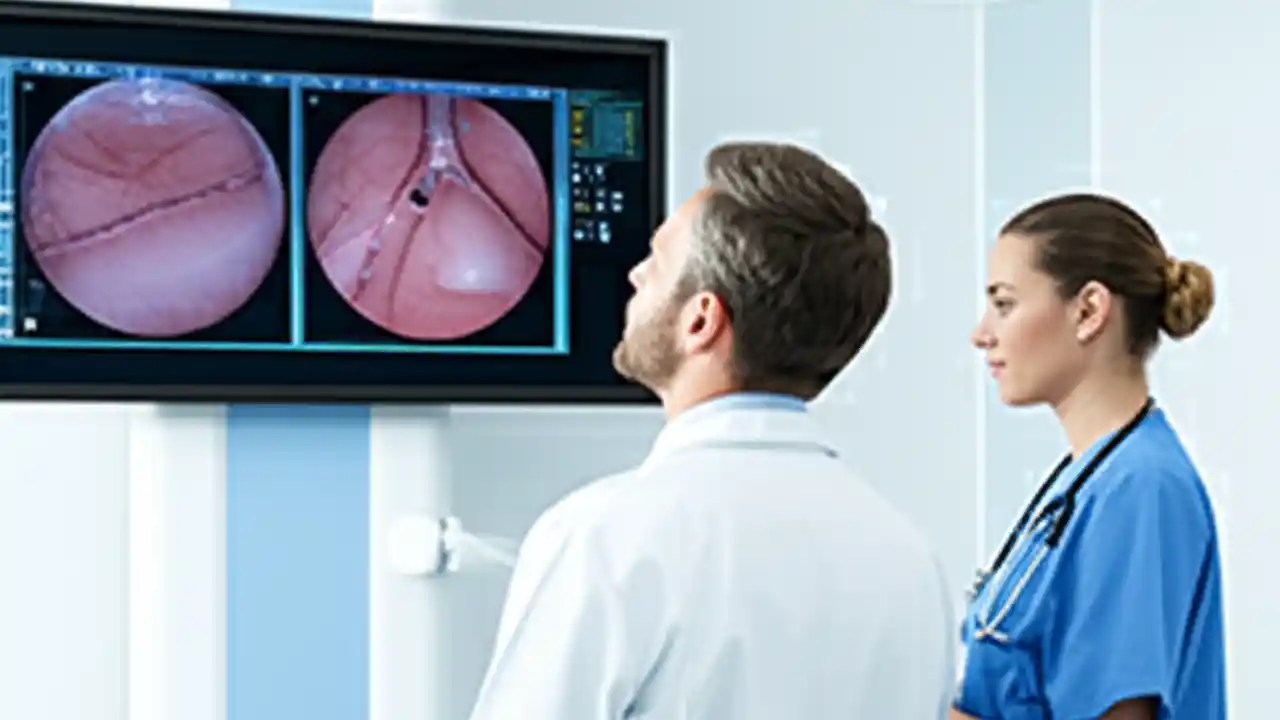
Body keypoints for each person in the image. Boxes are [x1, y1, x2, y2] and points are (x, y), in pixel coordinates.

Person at [467, 141, 955, 719]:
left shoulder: (609, 536)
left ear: (700, 320)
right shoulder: (910, 561)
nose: (635, 273)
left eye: (657, 259)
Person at [954, 192, 1226, 719]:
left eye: (1004, 304)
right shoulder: (1088, 481)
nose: (981, 335)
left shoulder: (1140, 489)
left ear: (1088, 312)